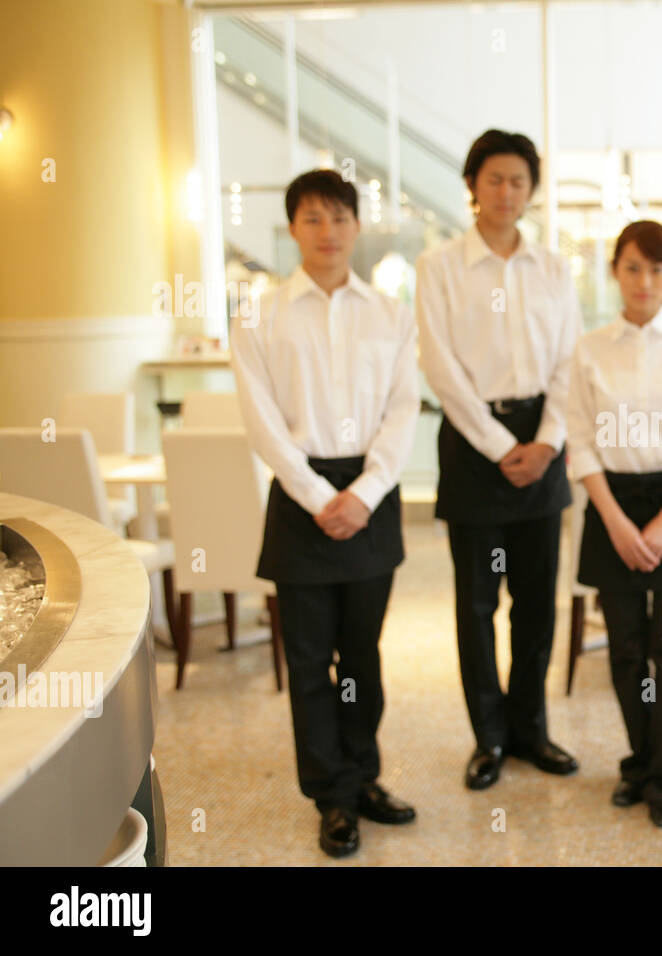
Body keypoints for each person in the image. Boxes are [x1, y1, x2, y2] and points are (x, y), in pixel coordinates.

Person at [232, 168, 421, 859]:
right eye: (312, 218)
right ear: (291, 229)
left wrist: (364, 493)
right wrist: (319, 498)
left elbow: (403, 414)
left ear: (357, 225)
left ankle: (363, 776)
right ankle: (332, 797)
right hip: (301, 496)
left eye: (340, 217)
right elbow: (262, 425)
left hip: (370, 495)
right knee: (310, 660)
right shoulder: (259, 316)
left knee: (362, 656)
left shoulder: (393, 316)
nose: (328, 231)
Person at [416, 130, 581, 791]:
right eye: (494, 180)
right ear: (472, 186)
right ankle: (488, 737)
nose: (506, 192)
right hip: (474, 442)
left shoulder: (555, 267)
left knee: (538, 602)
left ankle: (531, 728)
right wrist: (500, 444)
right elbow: (440, 367)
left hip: (544, 440)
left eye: (518, 181)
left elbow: (571, 358)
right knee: (477, 603)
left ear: (531, 190)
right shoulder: (440, 267)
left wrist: (545, 440)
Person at [566, 221, 662, 827]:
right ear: (615, 272)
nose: (645, 281)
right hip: (611, 505)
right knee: (626, 649)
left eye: (657, 269)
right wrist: (615, 521)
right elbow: (580, 440)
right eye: (633, 267)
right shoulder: (589, 348)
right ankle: (638, 762)